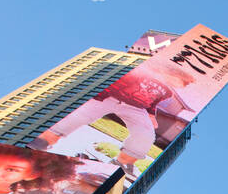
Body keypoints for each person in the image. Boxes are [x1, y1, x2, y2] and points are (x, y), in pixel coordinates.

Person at [36, 62, 198, 177]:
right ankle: (45, 139)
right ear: (175, 75)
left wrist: (150, 116)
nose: (182, 87)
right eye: (183, 83)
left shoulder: (168, 92)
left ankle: (123, 162)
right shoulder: (145, 72)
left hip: (135, 108)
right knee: (79, 116)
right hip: (112, 97)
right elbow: (118, 81)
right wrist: (98, 96)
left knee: (145, 134)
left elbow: (151, 103)